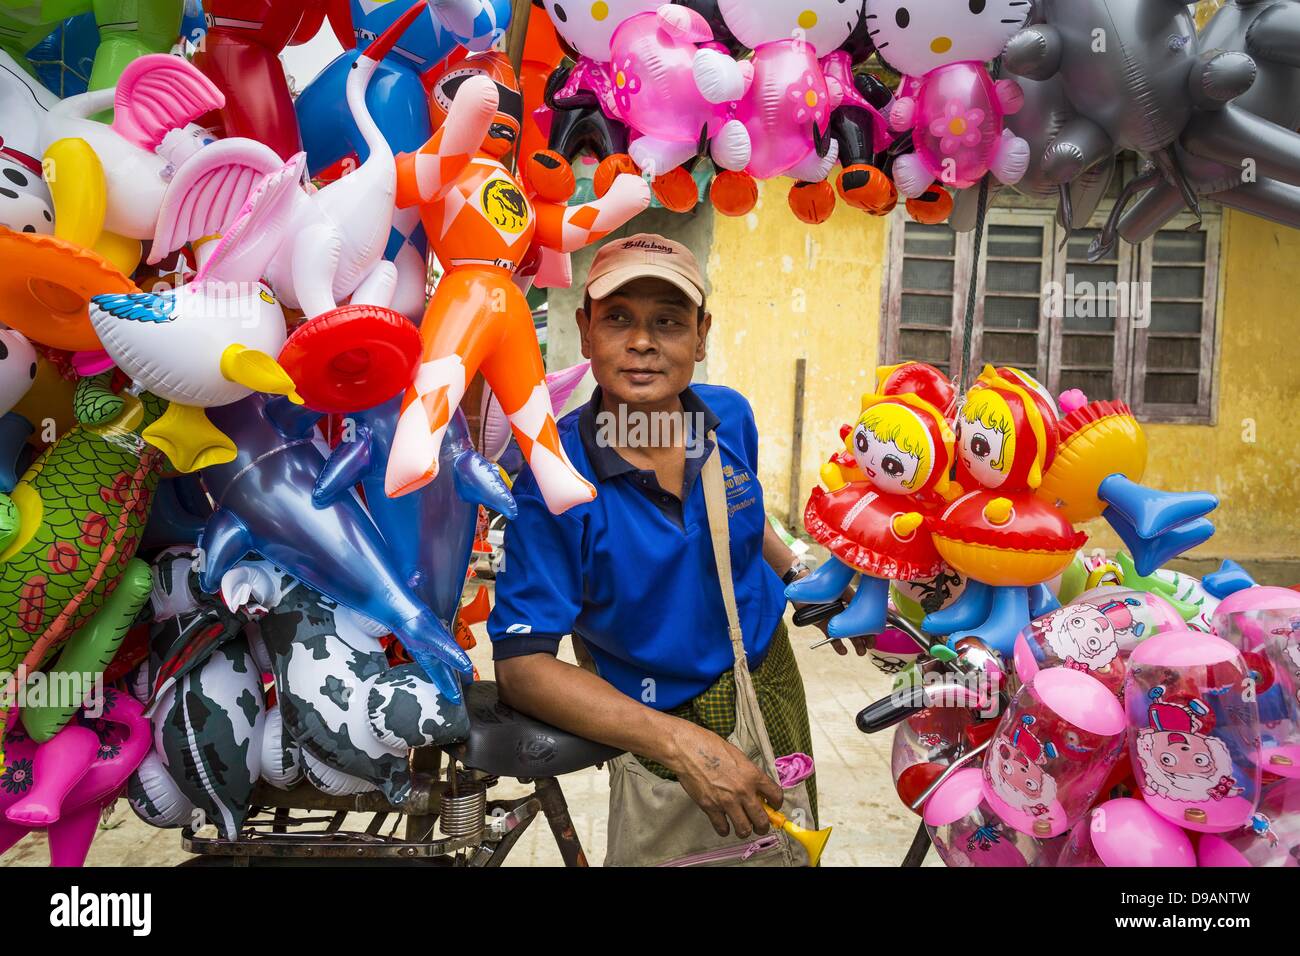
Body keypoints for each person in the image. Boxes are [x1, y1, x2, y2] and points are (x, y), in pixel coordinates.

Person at [489, 233, 859, 858]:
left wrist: (803, 575)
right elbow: (523, 667)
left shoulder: (728, 416)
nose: (642, 343)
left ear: (701, 334)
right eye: (618, 319)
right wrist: (678, 744)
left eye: (668, 321)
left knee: (789, 845)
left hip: (768, 672)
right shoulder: (555, 481)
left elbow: (739, 515)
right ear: (585, 331)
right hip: (659, 712)